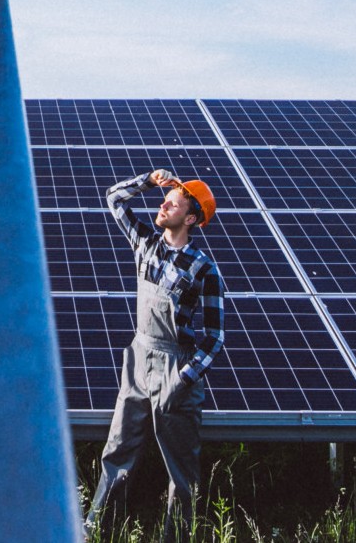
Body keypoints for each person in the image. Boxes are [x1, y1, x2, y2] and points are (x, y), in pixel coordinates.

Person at [85, 167, 225, 539]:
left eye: (172, 204)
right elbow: (114, 198)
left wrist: (183, 380)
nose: (162, 206)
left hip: (176, 365)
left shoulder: (205, 270)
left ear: (190, 219)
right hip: (138, 358)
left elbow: (214, 338)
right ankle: (97, 532)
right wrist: (148, 180)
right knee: (117, 452)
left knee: (181, 471)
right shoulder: (145, 244)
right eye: (165, 200)